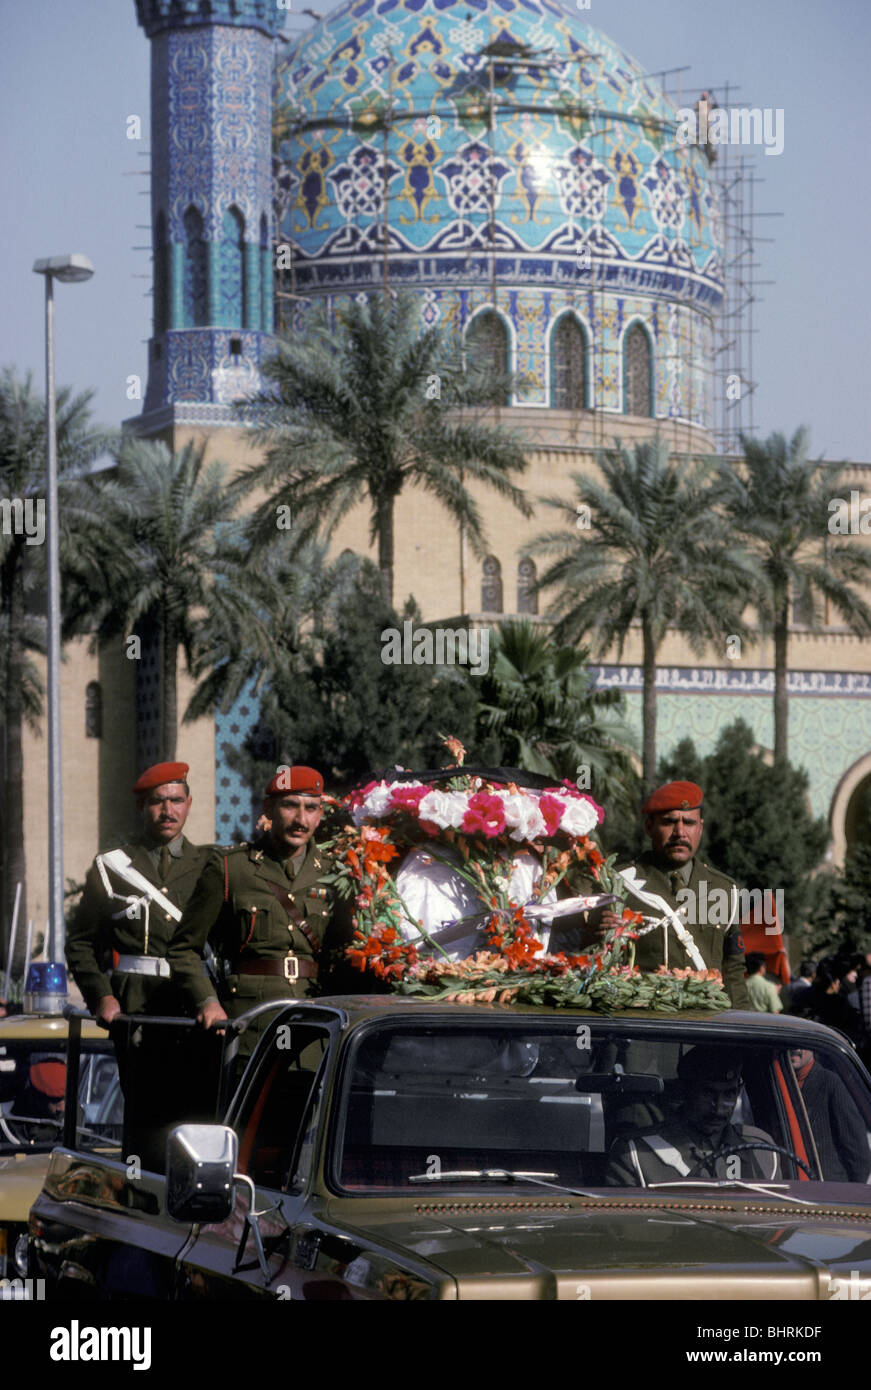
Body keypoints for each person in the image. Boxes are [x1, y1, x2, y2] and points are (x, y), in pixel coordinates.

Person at [65, 761, 213, 1169]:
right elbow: (80, 942)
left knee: (196, 1115)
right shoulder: (114, 866)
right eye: (157, 802)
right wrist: (103, 996)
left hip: (192, 1005)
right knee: (145, 1118)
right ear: (141, 807)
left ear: (189, 804)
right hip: (137, 1008)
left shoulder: (209, 864)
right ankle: (141, 1203)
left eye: (176, 801)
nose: (168, 811)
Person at [167, 766, 352, 1070]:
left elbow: (345, 955)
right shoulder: (231, 868)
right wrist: (207, 1001)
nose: (300, 820)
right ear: (269, 809)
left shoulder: (336, 873)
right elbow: (183, 948)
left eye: (311, 808)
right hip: (251, 1025)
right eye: (290, 806)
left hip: (315, 1027)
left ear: (321, 814)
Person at [586, 781, 750, 1008]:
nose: (680, 832)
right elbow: (590, 959)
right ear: (649, 827)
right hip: (645, 1025)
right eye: (669, 822)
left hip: (707, 1024)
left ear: (700, 828)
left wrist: (745, 1029)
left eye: (689, 823)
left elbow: (733, 970)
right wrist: (598, 936)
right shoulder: (616, 884)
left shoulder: (724, 890)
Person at [606, 1046, 779, 1186]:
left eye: (729, 1094)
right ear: (684, 1091)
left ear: (739, 1092)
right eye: (707, 1093)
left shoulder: (761, 1152)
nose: (718, 1109)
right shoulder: (638, 1153)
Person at [788, 1046, 870, 1183]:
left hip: (827, 1192)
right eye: (790, 1043)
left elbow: (859, 1155)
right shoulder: (780, 1082)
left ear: (812, 1046)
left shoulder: (831, 1084)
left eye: (802, 1044)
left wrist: (846, 1197)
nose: (795, 1049)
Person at [2, 1058, 66, 1145]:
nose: (62, 1108)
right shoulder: (6, 1118)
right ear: (38, 1097)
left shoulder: (75, 1116)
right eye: (55, 1101)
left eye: (65, 1099)